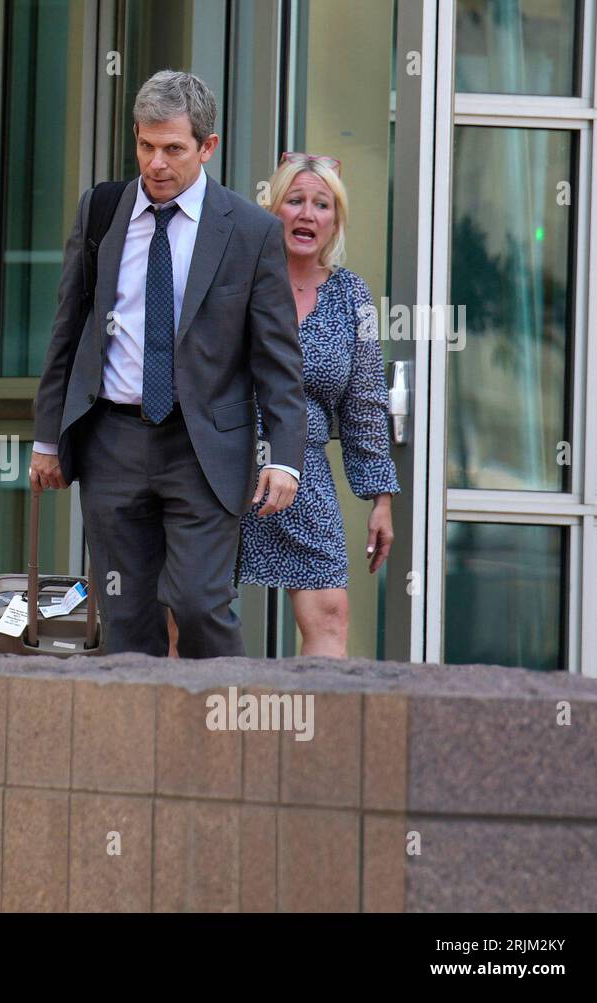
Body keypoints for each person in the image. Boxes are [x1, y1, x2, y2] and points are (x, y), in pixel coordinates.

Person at [30, 69, 306, 658]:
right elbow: (68, 329)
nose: (156, 164)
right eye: (146, 146)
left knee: (199, 601)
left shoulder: (251, 231)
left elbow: (278, 360)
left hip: (203, 447)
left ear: (207, 147)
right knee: (125, 617)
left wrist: (284, 457)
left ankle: (226, 713)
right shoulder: (101, 211)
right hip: (111, 441)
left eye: (174, 149)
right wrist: (48, 439)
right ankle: (137, 722)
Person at [235, 153, 399, 656]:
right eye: (295, 200)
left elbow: (364, 402)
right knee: (188, 612)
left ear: (335, 221)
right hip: (222, 460)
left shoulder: (352, 295)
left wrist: (380, 500)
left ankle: (311, 711)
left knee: (329, 613)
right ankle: (200, 710)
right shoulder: (235, 277)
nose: (307, 214)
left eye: (322, 204)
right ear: (272, 210)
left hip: (303, 471)